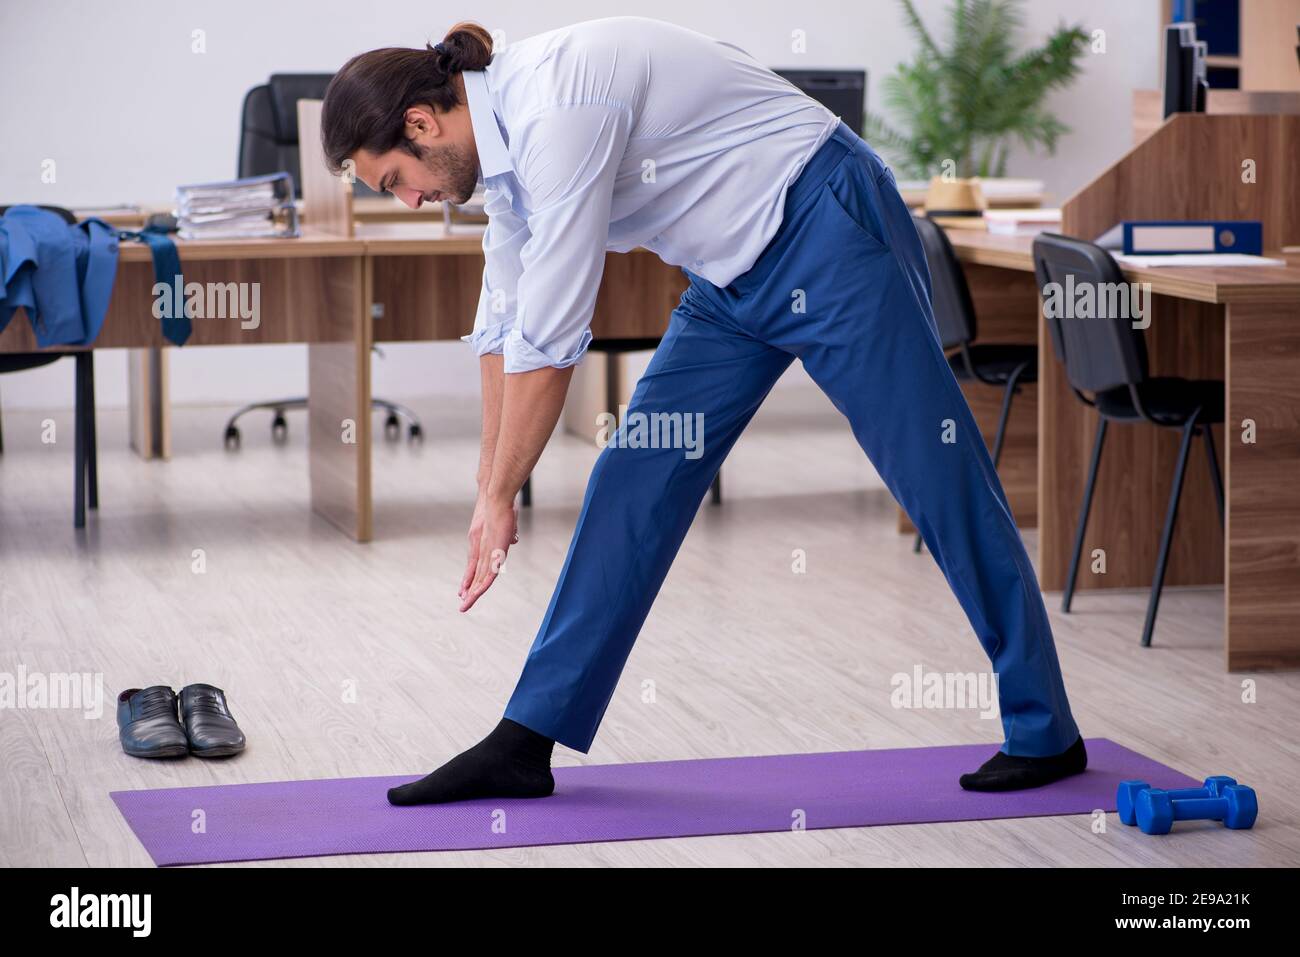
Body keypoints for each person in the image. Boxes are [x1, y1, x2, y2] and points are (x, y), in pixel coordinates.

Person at [320, 16, 1086, 805]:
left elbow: (549, 345)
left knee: (935, 472)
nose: (409, 200)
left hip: (825, 225)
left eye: (394, 180)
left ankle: (1045, 729)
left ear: (422, 123)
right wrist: (490, 488)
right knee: (633, 479)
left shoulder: (554, 110)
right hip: (729, 281)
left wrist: (499, 494)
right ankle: (526, 740)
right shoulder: (502, 159)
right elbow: (503, 327)